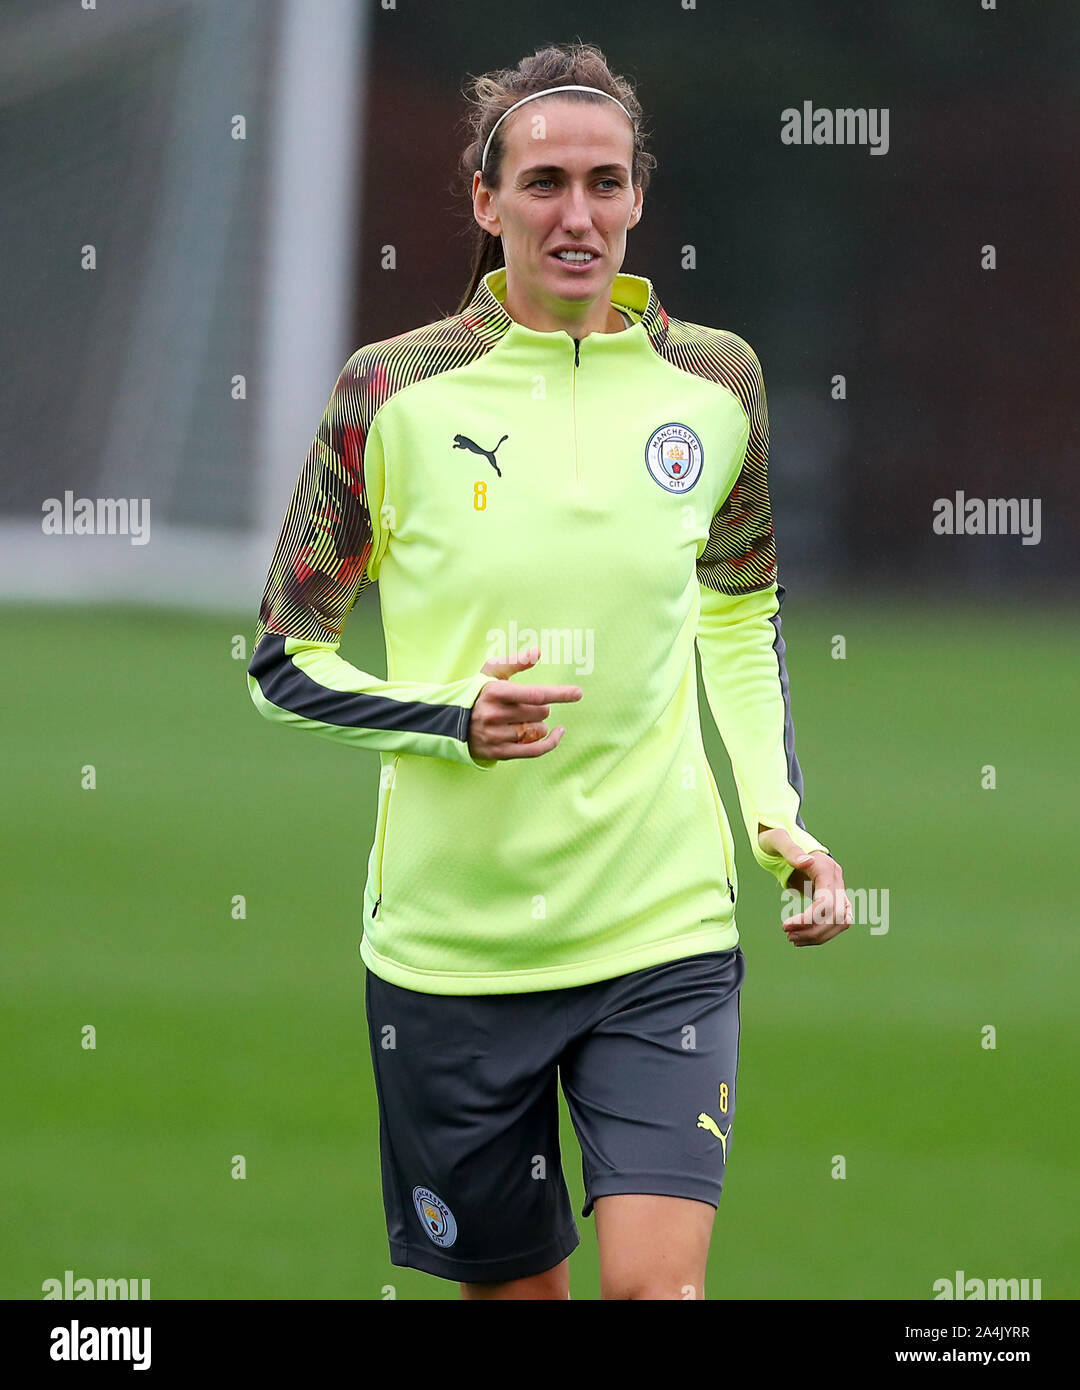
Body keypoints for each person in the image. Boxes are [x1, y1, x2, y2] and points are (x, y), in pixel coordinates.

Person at [246, 42, 852, 1301]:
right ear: (485, 199)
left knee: (658, 1292)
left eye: (606, 182)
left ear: (639, 197)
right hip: (452, 953)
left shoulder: (717, 383)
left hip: (660, 927)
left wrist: (779, 822)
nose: (578, 215)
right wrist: (451, 719)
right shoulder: (389, 394)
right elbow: (282, 659)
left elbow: (741, 616)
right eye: (544, 184)